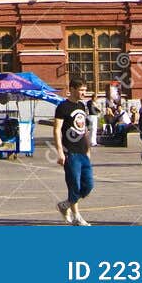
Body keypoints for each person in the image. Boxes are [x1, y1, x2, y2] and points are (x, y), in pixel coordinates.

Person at [53, 81, 94, 225]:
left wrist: (88, 148)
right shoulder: (62, 107)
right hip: (70, 153)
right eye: (81, 90)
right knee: (74, 185)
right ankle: (77, 216)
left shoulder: (82, 106)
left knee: (88, 185)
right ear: (72, 89)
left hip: (83, 152)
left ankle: (65, 205)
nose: (84, 93)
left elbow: (84, 130)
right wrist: (60, 152)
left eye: (85, 90)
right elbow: (57, 129)